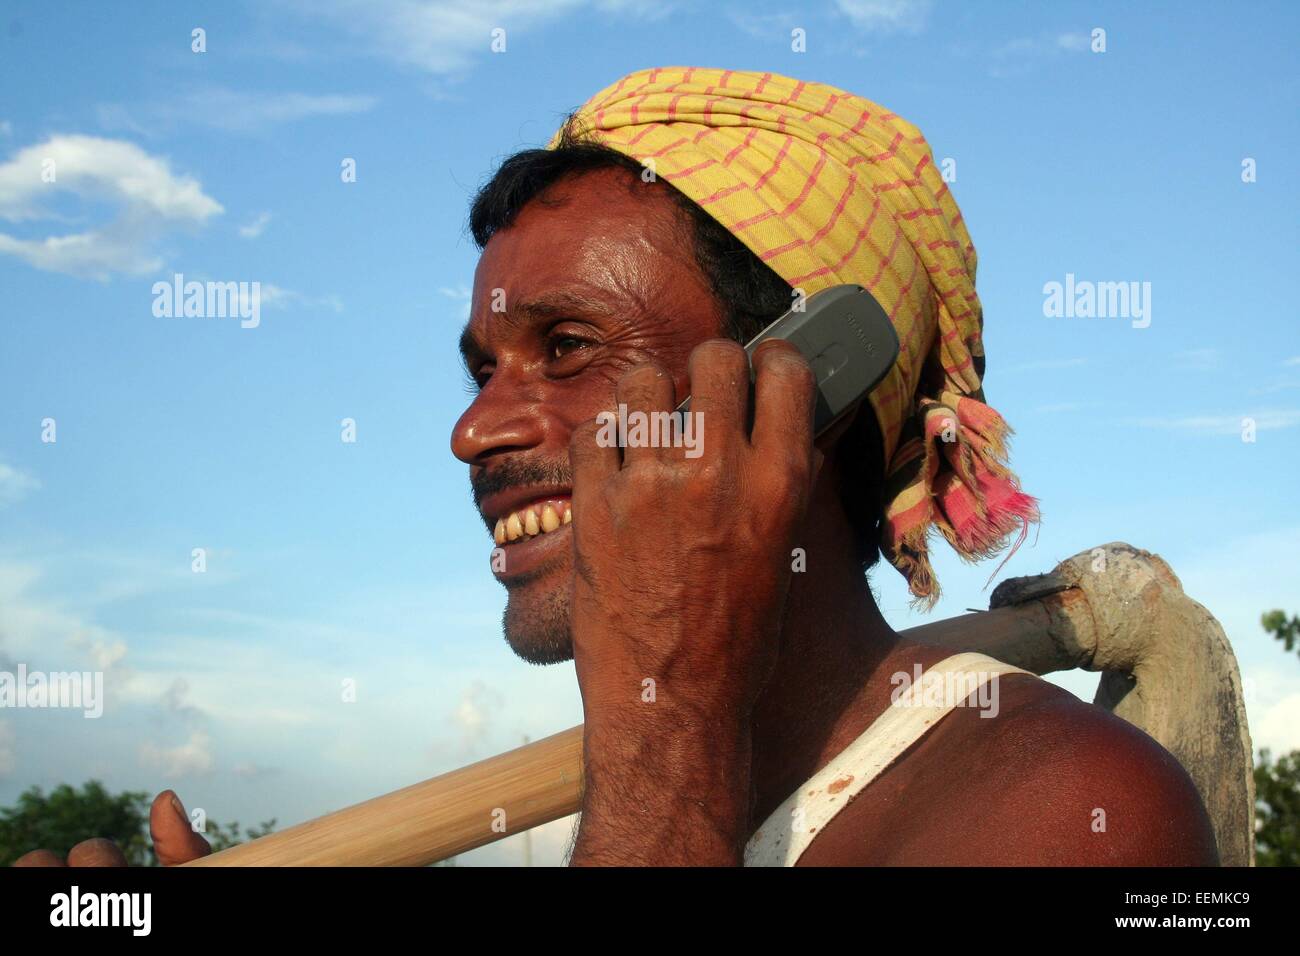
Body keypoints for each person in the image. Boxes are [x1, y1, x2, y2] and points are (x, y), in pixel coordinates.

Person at [16, 66, 1218, 867]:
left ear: (798, 388)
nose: (472, 432)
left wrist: (669, 732)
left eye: (569, 346)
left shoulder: (1068, 817)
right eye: (482, 365)